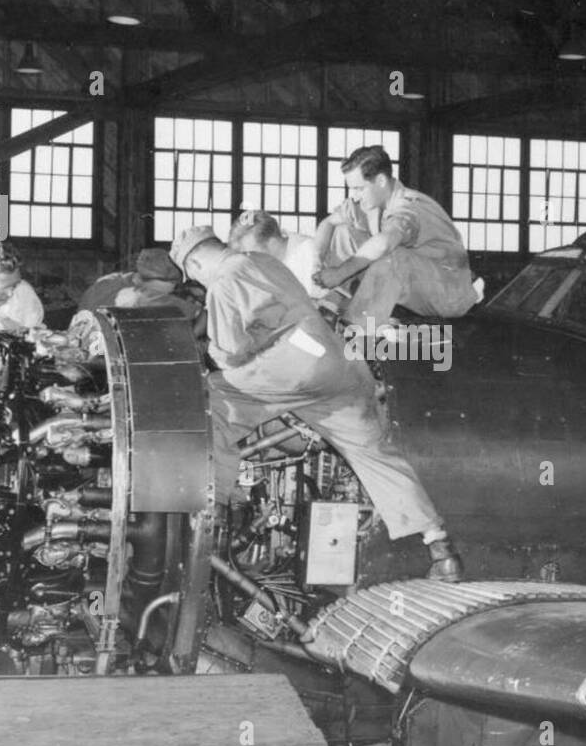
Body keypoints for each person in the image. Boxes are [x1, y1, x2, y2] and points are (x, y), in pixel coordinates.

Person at [170, 226, 464, 582]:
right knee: (372, 451)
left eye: (195, 274)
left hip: (296, 363)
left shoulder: (224, 279)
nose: (199, 281)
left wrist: (211, 356)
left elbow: (231, 352)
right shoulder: (260, 260)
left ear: (196, 262)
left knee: (210, 400)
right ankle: (440, 547)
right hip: (340, 362)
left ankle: (211, 522)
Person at [312, 146, 478, 326]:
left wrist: (339, 273)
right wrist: (317, 263)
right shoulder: (372, 202)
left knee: (392, 256)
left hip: (449, 290)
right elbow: (327, 224)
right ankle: (335, 303)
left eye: (359, 189)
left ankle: (357, 333)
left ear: (381, 180)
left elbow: (384, 243)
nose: (356, 196)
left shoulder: (409, 206)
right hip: (415, 280)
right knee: (343, 230)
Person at [78, 248, 197, 314]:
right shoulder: (143, 297)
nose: (173, 288)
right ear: (158, 281)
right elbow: (196, 313)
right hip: (106, 353)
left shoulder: (110, 280)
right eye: (173, 284)